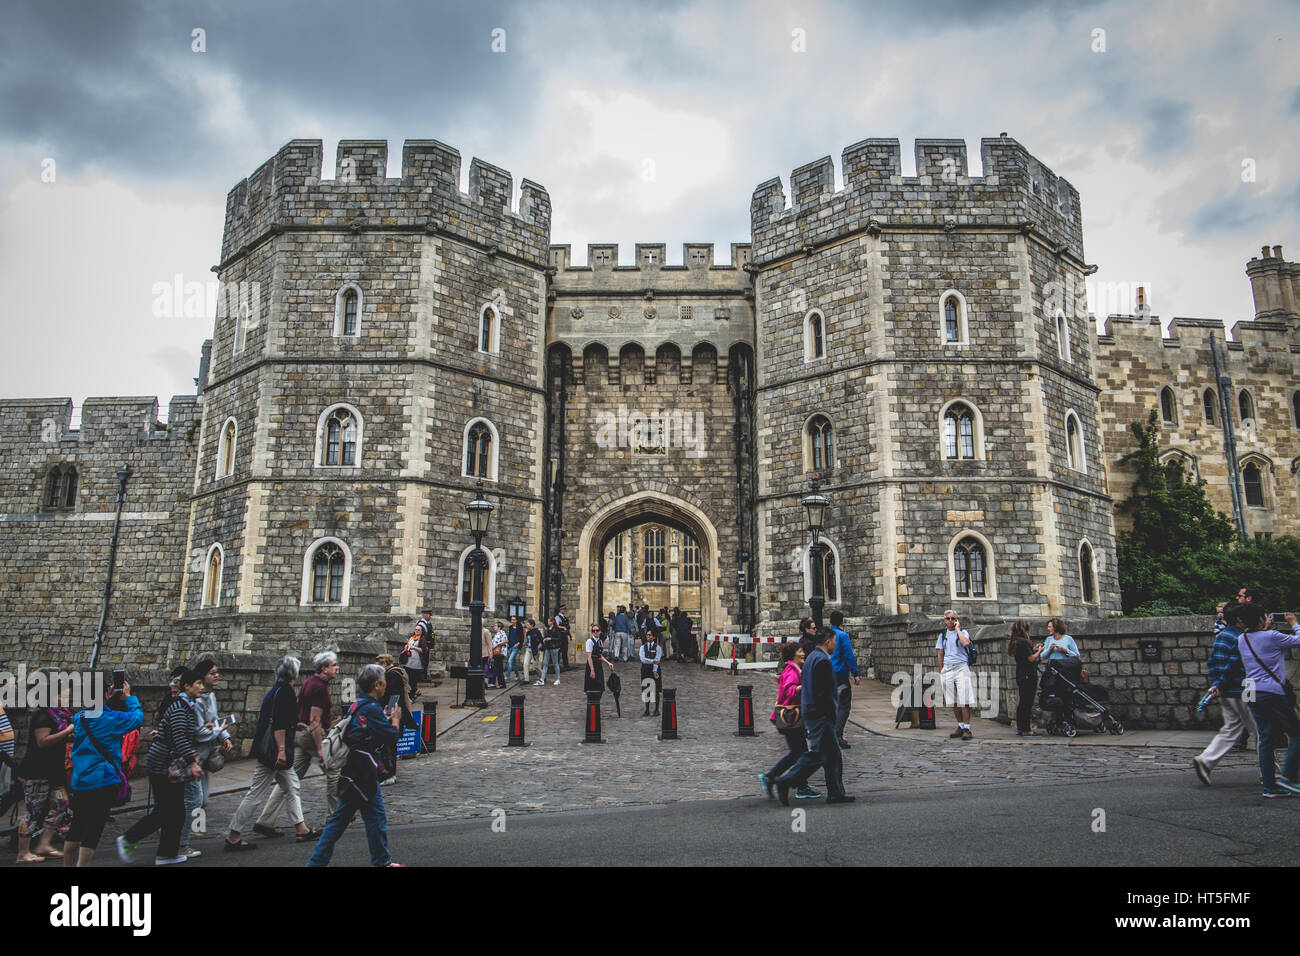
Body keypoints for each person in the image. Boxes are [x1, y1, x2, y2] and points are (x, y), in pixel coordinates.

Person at [307, 664, 405, 867]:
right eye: (383, 681)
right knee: (352, 819)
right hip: (363, 771)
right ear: (377, 685)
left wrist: (382, 720)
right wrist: (394, 721)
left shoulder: (358, 704)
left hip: (356, 769)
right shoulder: (371, 708)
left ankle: (380, 860)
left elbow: (364, 731)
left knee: (363, 818)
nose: (385, 685)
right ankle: (318, 861)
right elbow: (391, 736)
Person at [224, 656, 317, 851]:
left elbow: (277, 720)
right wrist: (282, 750)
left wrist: (295, 724)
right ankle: (233, 835)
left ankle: (301, 828)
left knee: (292, 786)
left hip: (270, 749)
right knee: (256, 794)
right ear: (293, 673)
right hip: (275, 752)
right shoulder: (286, 693)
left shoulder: (275, 691)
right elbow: (278, 725)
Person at [117, 669, 204, 866]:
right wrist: (192, 762)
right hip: (163, 764)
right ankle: (129, 839)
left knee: (176, 810)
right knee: (166, 810)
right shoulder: (181, 707)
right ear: (187, 686)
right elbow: (180, 738)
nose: (201, 687)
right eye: (198, 683)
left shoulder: (186, 705)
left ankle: (167, 853)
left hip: (170, 763)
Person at [255, 651, 340, 833]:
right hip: (311, 735)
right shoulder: (319, 687)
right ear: (324, 668)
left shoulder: (309, 682)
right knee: (333, 771)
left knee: (289, 777)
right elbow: (315, 720)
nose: (337, 668)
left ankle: (265, 819)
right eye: (333, 665)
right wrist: (319, 749)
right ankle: (334, 816)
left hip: (301, 735)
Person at [65, 680, 143, 867]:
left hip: (81, 779)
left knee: (77, 826)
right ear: (106, 694)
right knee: (94, 829)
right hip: (103, 779)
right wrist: (129, 697)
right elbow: (137, 718)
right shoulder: (112, 719)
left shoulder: (80, 717)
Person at [774, 627, 852, 805]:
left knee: (833, 755)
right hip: (820, 715)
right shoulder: (822, 660)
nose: (835, 645)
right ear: (827, 641)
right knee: (817, 755)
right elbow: (821, 691)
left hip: (814, 712)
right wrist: (830, 711)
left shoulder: (812, 658)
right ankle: (785, 781)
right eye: (834, 641)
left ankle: (836, 792)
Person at [1233, 604, 1300, 798]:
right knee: (1296, 734)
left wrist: (1264, 627)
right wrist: (1295, 623)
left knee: (1265, 739)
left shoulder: (1241, 639)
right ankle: (1286, 778)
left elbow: (1259, 640)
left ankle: (1269, 787)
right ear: (1261, 619)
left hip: (1251, 691)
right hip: (1270, 691)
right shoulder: (1271, 636)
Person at [1193, 602, 1257, 785]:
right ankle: (1269, 772)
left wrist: (1216, 685)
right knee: (1260, 730)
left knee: (1230, 729)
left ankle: (1206, 760)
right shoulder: (1241, 637)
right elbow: (1234, 664)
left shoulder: (1222, 635)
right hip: (1243, 689)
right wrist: (1221, 683)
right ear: (1239, 619)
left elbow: (1213, 663)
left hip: (1225, 692)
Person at [179, 659, 233, 858]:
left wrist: (224, 736)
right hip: (193, 757)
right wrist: (219, 730)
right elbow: (200, 732)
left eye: (217, 672)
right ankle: (181, 839)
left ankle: (192, 831)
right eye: (212, 673)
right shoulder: (195, 701)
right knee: (195, 800)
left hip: (203, 755)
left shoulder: (210, 697)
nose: (217, 676)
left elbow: (214, 721)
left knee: (201, 800)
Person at [15, 689, 75, 863]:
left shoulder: (60, 716)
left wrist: (70, 733)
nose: (65, 698)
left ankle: (44, 844)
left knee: (61, 803)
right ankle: (22, 853)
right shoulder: (43, 717)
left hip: (54, 771)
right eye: (61, 695)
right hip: (37, 771)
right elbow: (43, 741)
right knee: (33, 811)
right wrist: (68, 731)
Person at [759, 643, 820, 800]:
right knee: (801, 753)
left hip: (793, 718)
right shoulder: (791, 671)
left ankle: (776, 778)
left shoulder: (795, 669)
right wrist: (804, 686)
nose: (803, 653)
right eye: (800, 651)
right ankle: (797, 785)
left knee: (797, 753)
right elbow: (789, 690)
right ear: (793, 654)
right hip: (791, 717)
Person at [374, 654, 419, 785]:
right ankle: (389, 772)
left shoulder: (392, 675)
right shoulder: (395, 673)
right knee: (389, 745)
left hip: (392, 713)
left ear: (384, 663)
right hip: (394, 712)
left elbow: (392, 696)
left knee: (388, 745)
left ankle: (389, 773)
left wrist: (388, 714)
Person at [936, 610, 975, 740]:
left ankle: (967, 728)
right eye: (948, 619)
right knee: (953, 701)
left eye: (953, 618)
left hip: (961, 667)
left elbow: (965, 643)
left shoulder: (963, 633)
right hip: (948, 668)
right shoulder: (942, 635)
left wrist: (958, 629)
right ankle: (960, 725)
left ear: (957, 620)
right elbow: (940, 653)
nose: (951, 621)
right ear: (945, 621)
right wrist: (941, 670)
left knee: (964, 700)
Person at [827, 610, 860, 749]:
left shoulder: (826, 634)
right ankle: (837, 734)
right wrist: (855, 673)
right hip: (840, 675)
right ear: (843, 622)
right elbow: (849, 655)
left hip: (826, 673)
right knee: (844, 705)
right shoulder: (842, 635)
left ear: (829, 621)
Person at [1007, 620, 1042, 736]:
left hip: (1021, 675)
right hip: (1028, 675)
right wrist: (1039, 651)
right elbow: (1031, 658)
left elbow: (1025, 655)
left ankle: (1021, 728)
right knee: (1027, 703)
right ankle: (1027, 729)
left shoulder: (1016, 642)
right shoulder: (1023, 642)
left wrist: (1034, 649)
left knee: (1022, 703)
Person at [585, 623, 616, 702]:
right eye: (593, 630)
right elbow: (589, 657)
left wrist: (608, 663)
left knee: (600, 685)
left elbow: (600, 655)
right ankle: (592, 705)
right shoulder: (589, 642)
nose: (595, 632)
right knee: (592, 686)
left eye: (597, 630)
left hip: (598, 664)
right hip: (592, 664)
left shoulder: (600, 642)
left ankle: (596, 703)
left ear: (600, 632)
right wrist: (592, 670)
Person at [407, 611, 434, 700]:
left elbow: (424, 649)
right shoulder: (413, 636)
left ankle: (413, 693)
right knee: (411, 679)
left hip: (416, 662)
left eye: (418, 630)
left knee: (413, 679)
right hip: (410, 661)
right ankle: (414, 692)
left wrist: (414, 648)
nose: (416, 631)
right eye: (416, 630)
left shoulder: (421, 638)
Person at [640, 628, 663, 716]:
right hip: (645, 670)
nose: (648, 637)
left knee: (656, 689)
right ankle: (647, 709)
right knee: (646, 689)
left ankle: (656, 709)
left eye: (650, 635)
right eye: (647, 635)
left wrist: (654, 669)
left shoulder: (658, 647)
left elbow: (658, 658)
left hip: (655, 669)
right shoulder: (643, 647)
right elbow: (643, 659)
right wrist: (652, 661)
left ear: (653, 637)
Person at [541, 617, 564, 685]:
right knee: (545, 663)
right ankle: (542, 679)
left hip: (554, 648)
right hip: (548, 647)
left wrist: (550, 638)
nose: (548, 622)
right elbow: (546, 636)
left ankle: (558, 679)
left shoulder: (556, 629)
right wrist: (545, 639)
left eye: (549, 621)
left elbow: (559, 638)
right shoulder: (548, 629)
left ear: (552, 622)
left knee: (555, 663)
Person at [506, 615, 526, 684]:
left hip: (515, 647)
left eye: (514, 620)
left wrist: (518, 644)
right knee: (514, 662)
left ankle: (507, 676)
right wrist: (508, 643)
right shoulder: (510, 627)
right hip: (510, 646)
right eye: (511, 620)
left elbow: (521, 638)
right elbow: (509, 636)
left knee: (510, 660)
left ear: (516, 620)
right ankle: (517, 675)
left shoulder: (519, 628)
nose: (512, 621)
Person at [490, 621, 509, 689]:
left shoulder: (502, 633)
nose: (494, 627)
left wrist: (497, 645)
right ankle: (502, 684)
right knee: (499, 669)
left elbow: (506, 641)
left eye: (495, 626)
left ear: (499, 627)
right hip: (496, 653)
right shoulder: (496, 634)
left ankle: (492, 682)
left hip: (500, 653)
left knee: (495, 668)